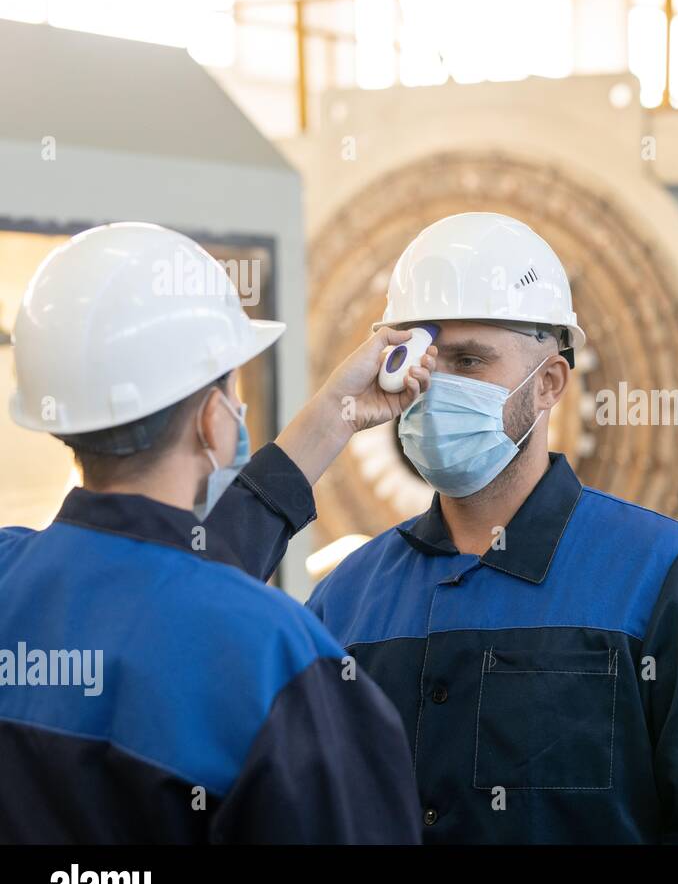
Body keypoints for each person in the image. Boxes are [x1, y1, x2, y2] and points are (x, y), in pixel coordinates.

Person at [306, 212, 678, 843]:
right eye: (417, 359)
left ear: (549, 384)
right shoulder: (345, 599)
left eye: (470, 360)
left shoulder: (663, 576)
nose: (434, 386)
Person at [0, 222, 423, 842]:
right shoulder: (281, 660)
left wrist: (334, 416)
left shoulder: (12, 572)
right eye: (230, 386)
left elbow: (166, 587)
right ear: (211, 420)